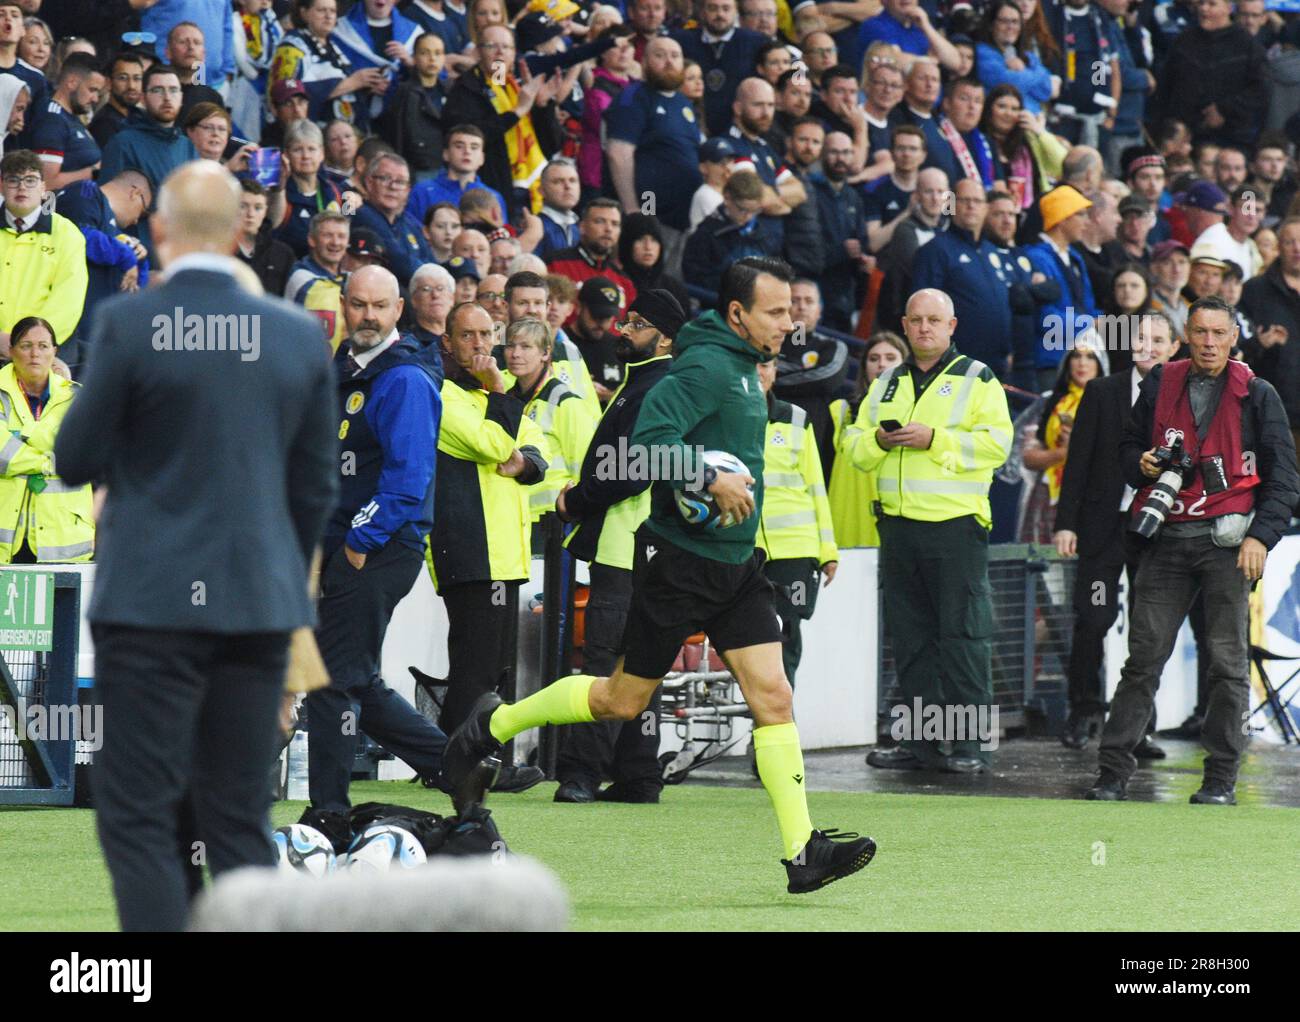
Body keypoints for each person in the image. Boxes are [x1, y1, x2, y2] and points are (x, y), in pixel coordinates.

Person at [440, 256, 878, 894]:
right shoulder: (703, 367)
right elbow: (646, 440)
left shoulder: (739, 364)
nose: (791, 322)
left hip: (735, 566)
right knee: (622, 700)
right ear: (737, 314)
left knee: (775, 697)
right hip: (678, 566)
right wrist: (707, 476)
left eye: (792, 309)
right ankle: (490, 725)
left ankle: (802, 850)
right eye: (776, 311)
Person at [53, 161, 338, 932]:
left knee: (141, 814)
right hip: (257, 607)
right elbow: (316, 492)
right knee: (239, 816)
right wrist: (278, 574)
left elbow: (73, 458)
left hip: (149, 608)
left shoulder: (130, 323)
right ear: (242, 228)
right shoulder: (297, 338)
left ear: (158, 230)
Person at [1086, 296, 1300, 804]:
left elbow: (1285, 478)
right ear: (1187, 334)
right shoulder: (1161, 382)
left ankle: (1221, 780)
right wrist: (1139, 463)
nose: (1208, 343)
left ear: (1233, 338)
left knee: (1227, 664)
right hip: (1165, 539)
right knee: (1143, 662)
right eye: (1200, 332)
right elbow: (1126, 446)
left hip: (1229, 543)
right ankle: (1112, 774)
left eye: (1218, 334)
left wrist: (1259, 538)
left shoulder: (1259, 394)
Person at [307, 263, 452, 815]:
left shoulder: (404, 378)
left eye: (379, 306)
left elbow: (408, 476)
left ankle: (328, 812)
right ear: (344, 306)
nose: (367, 316)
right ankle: (457, 764)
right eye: (358, 304)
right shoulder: (342, 372)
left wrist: (361, 541)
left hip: (379, 546)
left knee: (331, 681)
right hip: (345, 545)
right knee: (351, 676)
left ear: (398, 311)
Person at [849, 287, 1013, 773]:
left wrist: (934, 439)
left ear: (951, 326)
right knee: (911, 640)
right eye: (916, 320)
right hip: (898, 527)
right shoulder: (885, 384)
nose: (924, 328)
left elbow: (997, 446)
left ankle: (969, 746)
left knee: (962, 637)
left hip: (954, 526)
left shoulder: (978, 378)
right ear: (904, 324)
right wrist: (879, 440)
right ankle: (920, 743)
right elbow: (854, 446)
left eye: (933, 321)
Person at [551, 288, 683, 804]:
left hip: (627, 546)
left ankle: (581, 773)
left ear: (664, 336)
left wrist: (576, 501)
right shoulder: (659, 384)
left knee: (604, 665)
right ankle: (638, 775)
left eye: (636, 323)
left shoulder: (652, 387)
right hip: (654, 548)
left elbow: (633, 469)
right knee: (642, 661)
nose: (622, 330)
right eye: (625, 321)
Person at [426, 301, 549, 796]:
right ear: (448, 344)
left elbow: (538, 449)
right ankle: (462, 765)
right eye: (468, 336)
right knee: (475, 668)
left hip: (506, 551)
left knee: (490, 667)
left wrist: (527, 460)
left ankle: (457, 762)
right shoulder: (442, 395)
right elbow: (497, 446)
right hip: (470, 550)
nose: (480, 344)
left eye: (485, 334)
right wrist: (503, 400)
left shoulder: (493, 399)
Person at [1054, 312, 1175, 749]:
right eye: (1141, 338)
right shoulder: (1102, 392)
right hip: (1103, 533)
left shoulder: (1183, 395)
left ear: (1173, 346)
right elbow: (1078, 461)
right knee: (1094, 618)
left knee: (1149, 629)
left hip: (1156, 535)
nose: (1149, 346)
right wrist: (1066, 524)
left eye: (1158, 339)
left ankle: (1137, 724)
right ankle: (1083, 711)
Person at [754, 356, 837, 688]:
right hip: (743, 550)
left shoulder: (797, 418)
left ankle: (779, 727)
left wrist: (828, 549)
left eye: (767, 365)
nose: (760, 371)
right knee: (750, 640)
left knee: (785, 638)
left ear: (775, 372)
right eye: (752, 363)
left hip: (795, 551)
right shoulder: (721, 416)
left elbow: (816, 486)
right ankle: (764, 725)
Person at [441, 23, 561, 219]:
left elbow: (552, 144)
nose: (499, 53)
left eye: (506, 47)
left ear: (514, 53)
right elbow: (472, 134)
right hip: (496, 186)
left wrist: (542, 106)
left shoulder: (510, 86)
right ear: (478, 51)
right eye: (491, 46)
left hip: (531, 188)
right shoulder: (466, 89)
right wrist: (517, 112)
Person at [604, 35, 701, 275]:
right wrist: (634, 211)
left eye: (675, 56)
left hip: (683, 214)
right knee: (647, 277)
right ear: (644, 62)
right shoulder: (634, 97)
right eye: (660, 55)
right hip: (650, 204)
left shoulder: (683, 103)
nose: (669, 62)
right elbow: (619, 153)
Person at [0, 316, 93, 563]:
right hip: (5, 543)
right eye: (26, 345)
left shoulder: (77, 396)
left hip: (63, 541)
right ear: (11, 351)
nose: (35, 354)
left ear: (55, 351)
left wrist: (22, 435)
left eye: (43, 346)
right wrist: (49, 462)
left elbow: (82, 453)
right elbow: (2, 454)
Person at [911, 179, 1013, 377]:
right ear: (952, 205)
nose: (971, 205)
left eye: (977, 201)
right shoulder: (935, 250)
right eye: (965, 200)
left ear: (986, 208)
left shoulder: (992, 251)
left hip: (997, 366)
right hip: (954, 366)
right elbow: (922, 307)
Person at [504, 315, 598, 522]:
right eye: (510, 346)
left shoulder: (565, 402)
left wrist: (573, 511)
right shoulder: (508, 399)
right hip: (516, 516)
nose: (515, 354)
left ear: (546, 353)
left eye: (526, 347)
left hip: (554, 519)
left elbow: (586, 465)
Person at [0, 149, 88, 355]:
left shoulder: (67, 234)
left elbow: (68, 300)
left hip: (44, 355)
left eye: (30, 180)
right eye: (13, 179)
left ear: (43, 188)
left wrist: (29, 344)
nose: (22, 187)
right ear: (1, 186)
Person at [826, 331, 908, 548]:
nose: (881, 364)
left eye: (890, 358)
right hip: (846, 517)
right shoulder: (841, 411)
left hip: (895, 520)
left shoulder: (917, 412)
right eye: (874, 358)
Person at [1017, 344, 1104, 544]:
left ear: (1100, 364)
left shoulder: (1112, 402)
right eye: (1076, 356)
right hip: (1047, 496)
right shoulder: (1049, 402)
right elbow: (1028, 456)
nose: (1082, 363)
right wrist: (1063, 452)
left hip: (1092, 497)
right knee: (1044, 570)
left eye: (1090, 356)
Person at [1151, 0, 1267, 151]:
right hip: (1186, 137)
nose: (1204, 9)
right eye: (1201, 3)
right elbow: (1166, 87)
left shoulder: (1248, 44)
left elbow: (1260, 89)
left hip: (1234, 138)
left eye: (1212, 4)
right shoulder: (1183, 41)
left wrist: (1224, 109)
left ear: (1228, 8)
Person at [1022, 185, 1100, 390]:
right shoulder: (1036, 258)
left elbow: (1088, 305)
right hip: (1052, 362)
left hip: (1080, 358)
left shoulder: (1075, 258)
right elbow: (1046, 319)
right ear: (1063, 218)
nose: (1086, 221)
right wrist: (1091, 323)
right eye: (1081, 214)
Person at [1240, 216, 1300, 455]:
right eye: (1289, 242)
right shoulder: (1254, 290)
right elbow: (1239, 347)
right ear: (1278, 247)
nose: (1297, 248)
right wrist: (1259, 344)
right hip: (1276, 413)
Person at [270, 0, 381, 126]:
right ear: (304, 13)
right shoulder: (292, 48)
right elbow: (285, 96)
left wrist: (368, 86)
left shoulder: (335, 46)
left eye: (332, 11)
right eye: (321, 10)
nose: (328, 16)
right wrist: (352, 83)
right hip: (312, 135)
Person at [671, 0, 766, 136]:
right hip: (690, 125)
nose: (720, 14)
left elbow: (794, 64)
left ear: (736, 12)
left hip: (741, 130)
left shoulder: (756, 42)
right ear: (703, 12)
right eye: (713, 8)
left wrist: (798, 80)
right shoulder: (680, 41)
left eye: (726, 8)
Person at [683, 168, 781, 294]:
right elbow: (695, 277)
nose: (748, 216)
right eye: (742, 209)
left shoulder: (765, 235)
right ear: (727, 198)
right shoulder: (705, 234)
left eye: (755, 211)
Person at [351, 151, 434, 285]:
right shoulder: (361, 215)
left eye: (400, 182)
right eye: (385, 178)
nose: (393, 186)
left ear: (407, 190)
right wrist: (432, 277)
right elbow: (400, 263)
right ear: (369, 182)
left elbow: (431, 260)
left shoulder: (409, 223)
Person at [406, 123, 508, 230]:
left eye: (474, 147)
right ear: (446, 154)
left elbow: (501, 238)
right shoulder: (422, 191)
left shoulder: (494, 197)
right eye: (459, 146)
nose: (467, 152)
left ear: (482, 158)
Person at [30, 52, 103, 193]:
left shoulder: (70, 117)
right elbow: (46, 183)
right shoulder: (52, 120)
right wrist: (94, 172)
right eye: (92, 90)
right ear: (72, 82)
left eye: (98, 93)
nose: (95, 99)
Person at [286, 210, 350, 352]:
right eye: (328, 235)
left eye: (341, 236)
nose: (335, 242)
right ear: (312, 239)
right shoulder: (303, 281)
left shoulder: (348, 279)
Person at [235, 178, 295, 298]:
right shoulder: (219, 251)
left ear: (265, 211)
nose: (250, 214)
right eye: (243, 206)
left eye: (258, 208)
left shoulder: (282, 254)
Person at [406, 261, 453, 381]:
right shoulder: (407, 344)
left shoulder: (464, 337)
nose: (435, 294)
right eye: (426, 289)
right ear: (414, 300)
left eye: (441, 288)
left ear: (452, 298)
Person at [90, 51, 143, 149]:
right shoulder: (103, 124)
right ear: (109, 82)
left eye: (137, 78)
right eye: (123, 78)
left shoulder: (141, 117)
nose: (131, 86)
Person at [535, 156, 580, 261]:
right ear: (541, 190)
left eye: (572, 180)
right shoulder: (536, 226)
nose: (568, 186)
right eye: (558, 181)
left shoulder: (582, 227)